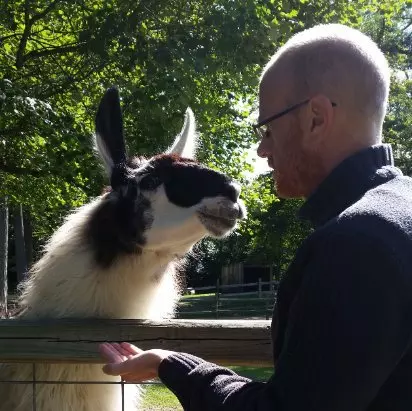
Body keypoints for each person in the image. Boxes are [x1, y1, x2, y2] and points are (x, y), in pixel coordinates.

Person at [99, 23, 412, 410]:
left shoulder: (358, 245)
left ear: (315, 118)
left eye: (267, 128)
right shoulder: (398, 214)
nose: (262, 150)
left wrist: (173, 365)